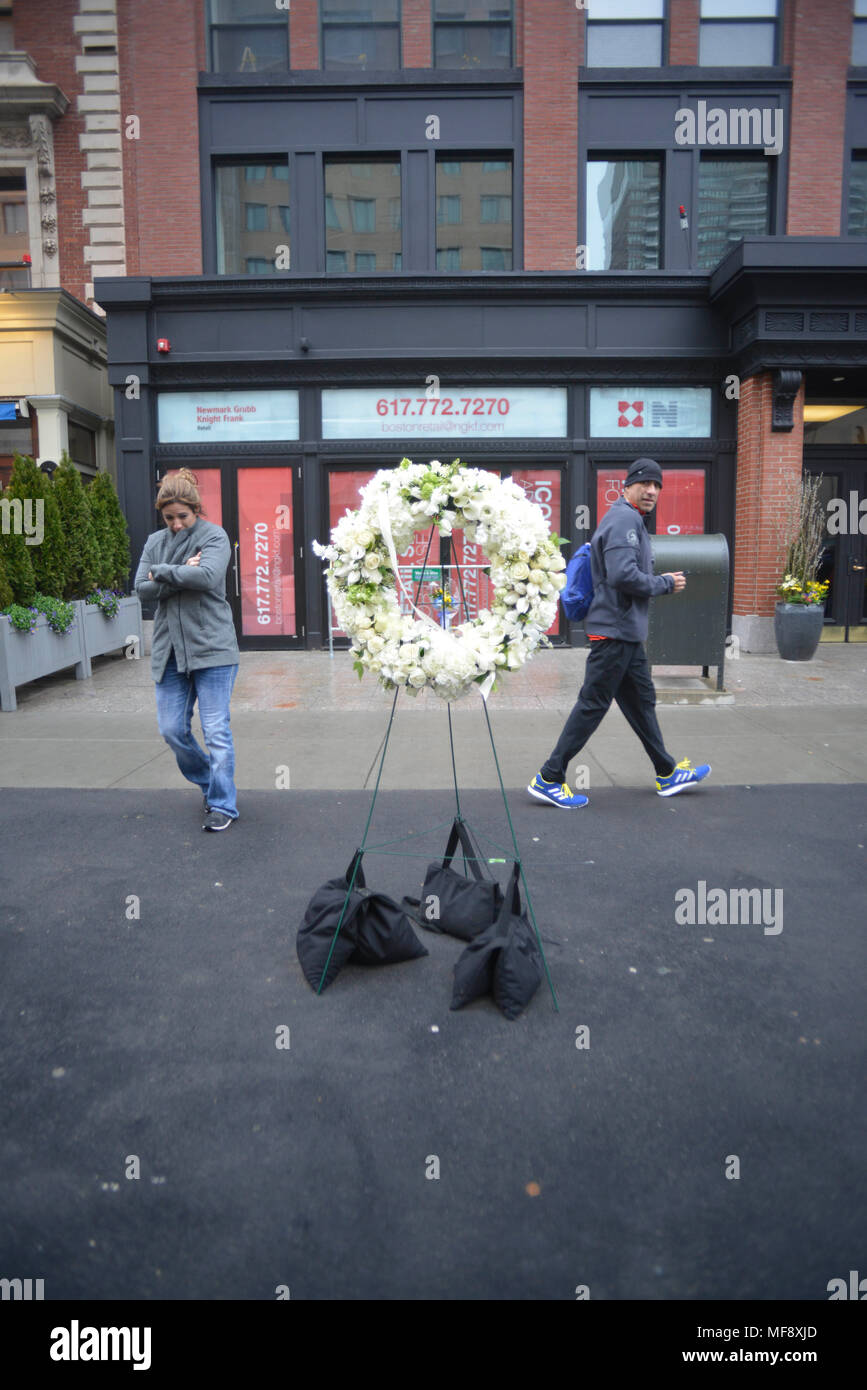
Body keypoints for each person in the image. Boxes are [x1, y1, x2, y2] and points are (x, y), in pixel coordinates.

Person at [528, 457, 710, 808]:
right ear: (628, 486)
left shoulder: (630, 521)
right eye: (645, 484)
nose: (652, 491)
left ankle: (666, 772)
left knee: (641, 703)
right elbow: (622, 575)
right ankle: (549, 777)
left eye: (657, 485)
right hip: (613, 632)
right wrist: (664, 583)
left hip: (624, 633)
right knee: (593, 704)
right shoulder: (624, 519)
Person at [134, 468, 241, 831]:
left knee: (216, 733)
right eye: (169, 518)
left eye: (183, 516)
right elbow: (141, 589)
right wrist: (180, 570)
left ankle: (223, 805)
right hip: (169, 651)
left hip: (212, 648)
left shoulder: (214, 537)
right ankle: (212, 785)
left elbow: (208, 577)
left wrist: (160, 574)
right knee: (171, 730)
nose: (176, 524)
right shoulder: (154, 541)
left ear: (196, 510)